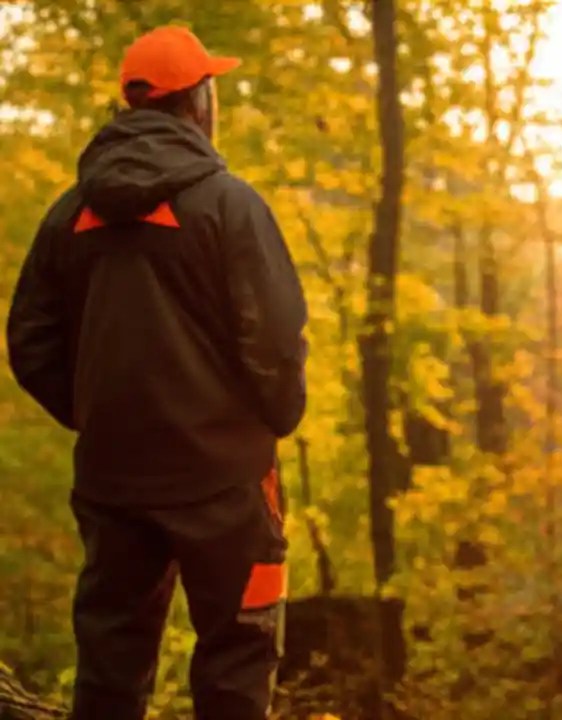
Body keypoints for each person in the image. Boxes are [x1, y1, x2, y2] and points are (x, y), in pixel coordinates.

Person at [6, 26, 308, 720]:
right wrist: (270, 422)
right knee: (237, 661)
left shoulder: (68, 214)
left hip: (113, 483)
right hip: (227, 484)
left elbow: (30, 343)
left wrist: (101, 414)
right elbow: (276, 339)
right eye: (213, 88)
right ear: (199, 102)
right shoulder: (230, 205)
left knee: (109, 678)